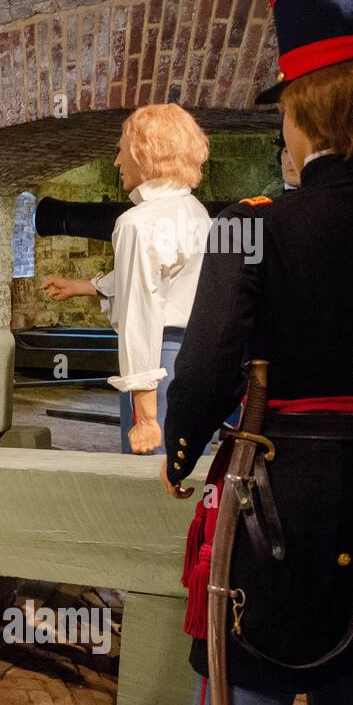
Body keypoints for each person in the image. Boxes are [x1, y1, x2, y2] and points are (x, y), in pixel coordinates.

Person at [162, 0, 353, 705]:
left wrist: (179, 452)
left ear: (307, 108)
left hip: (268, 527)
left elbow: (202, 372)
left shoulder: (251, 227)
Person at [42, 104, 212, 454]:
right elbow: (162, 281)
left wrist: (146, 416)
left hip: (157, 361)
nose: (117, 162)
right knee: (187, 469)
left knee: (149, 477)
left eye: (121, 150)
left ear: (144, 152)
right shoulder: (193, 211)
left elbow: (142, 315)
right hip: (194, 355)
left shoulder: (138, 222)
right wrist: (83, 287)